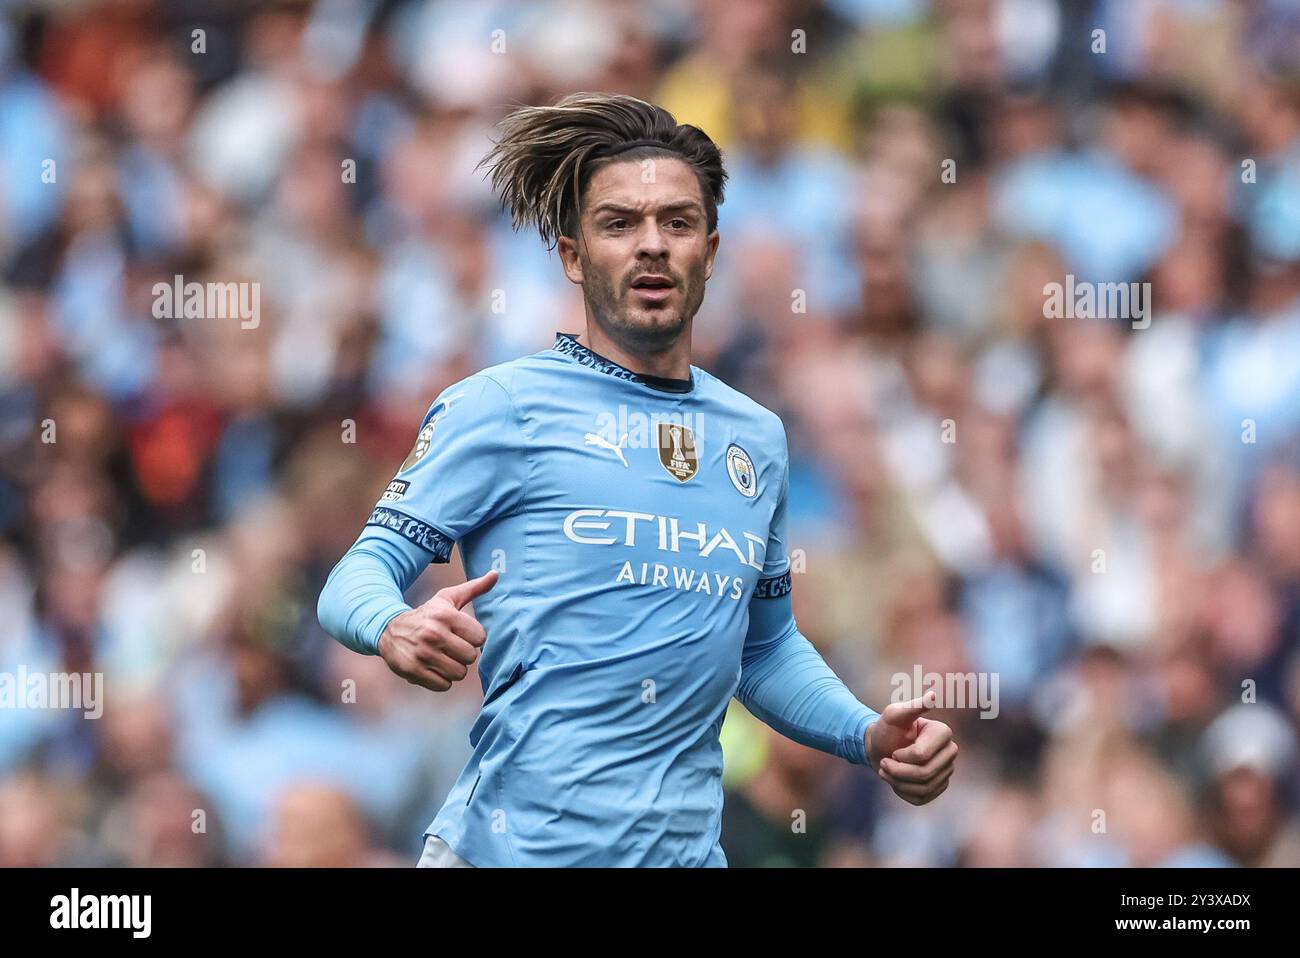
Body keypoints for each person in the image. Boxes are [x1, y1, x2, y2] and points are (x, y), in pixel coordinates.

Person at [317, 92, 958, 867]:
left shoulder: (755, 438)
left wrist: (864, 733)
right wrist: (393, 625)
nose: (651, 245)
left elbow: (763, 649)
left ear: (710, 251)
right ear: (573, 254)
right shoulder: (502, 407)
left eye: (677, 222)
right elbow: (356, 576)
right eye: (619, 223)